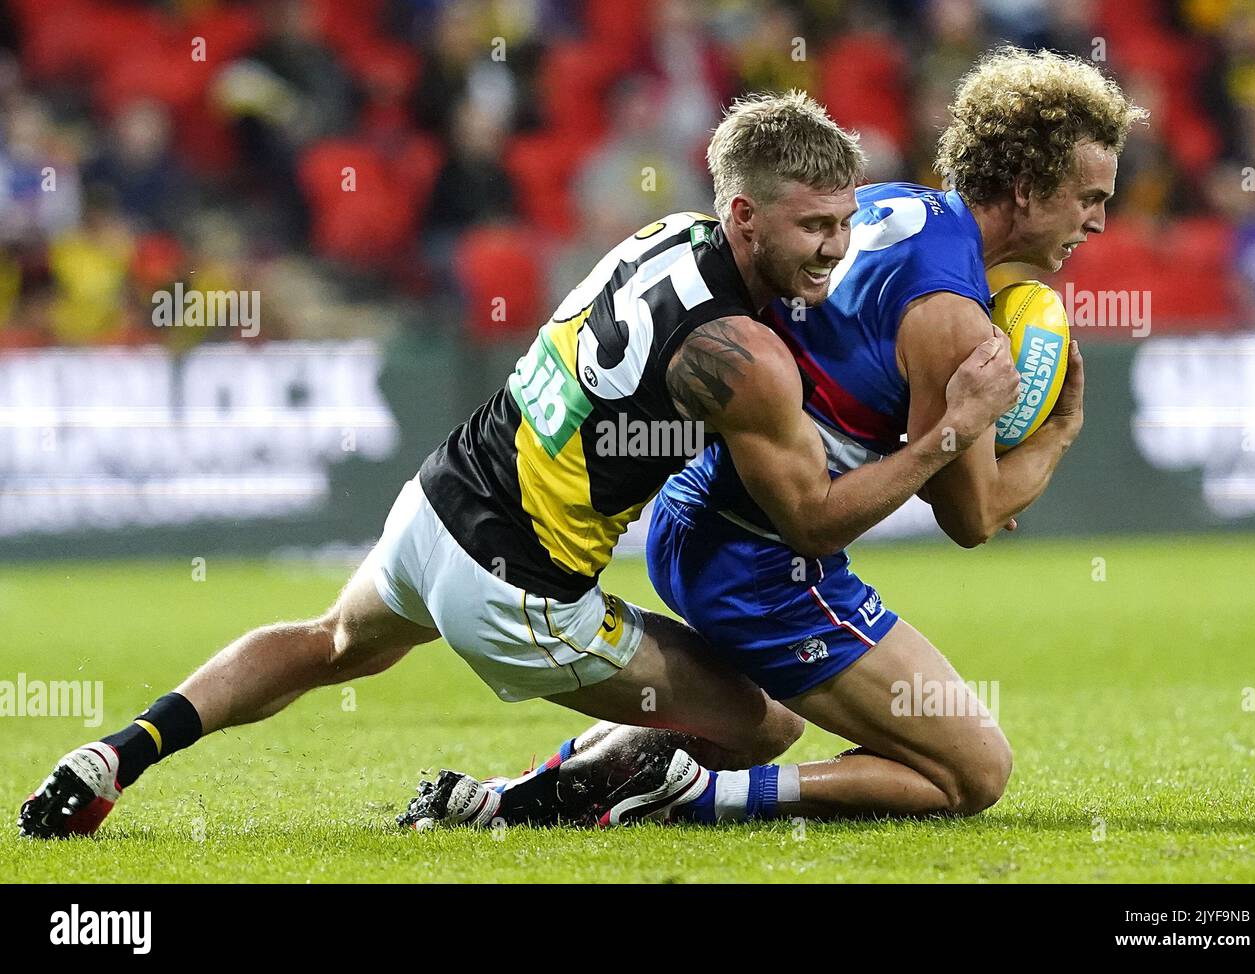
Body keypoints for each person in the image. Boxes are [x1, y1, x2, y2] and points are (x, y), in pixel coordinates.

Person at [19, 91, 1018, 839]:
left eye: (844, 223)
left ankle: (120, 751)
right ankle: (526, 803)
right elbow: (812, 519)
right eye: (814, 227)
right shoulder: (743, 357)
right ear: (746, 216)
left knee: (330, 642)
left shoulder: (660, 237)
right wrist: (946, 432)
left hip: (444, 496)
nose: (835, 250)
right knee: (759, 724)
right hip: (521, 593)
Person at [410, 46, 1145, 829]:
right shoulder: (952, 318)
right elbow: (973, 517)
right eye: (1089, 198)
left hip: (697, 512)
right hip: (767, 563)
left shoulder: (882, 207)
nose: (1097, 221)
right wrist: (1058, 431)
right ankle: (697, 797)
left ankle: (509, 801)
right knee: (973, 771)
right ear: (1027, 189)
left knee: (754, 721)